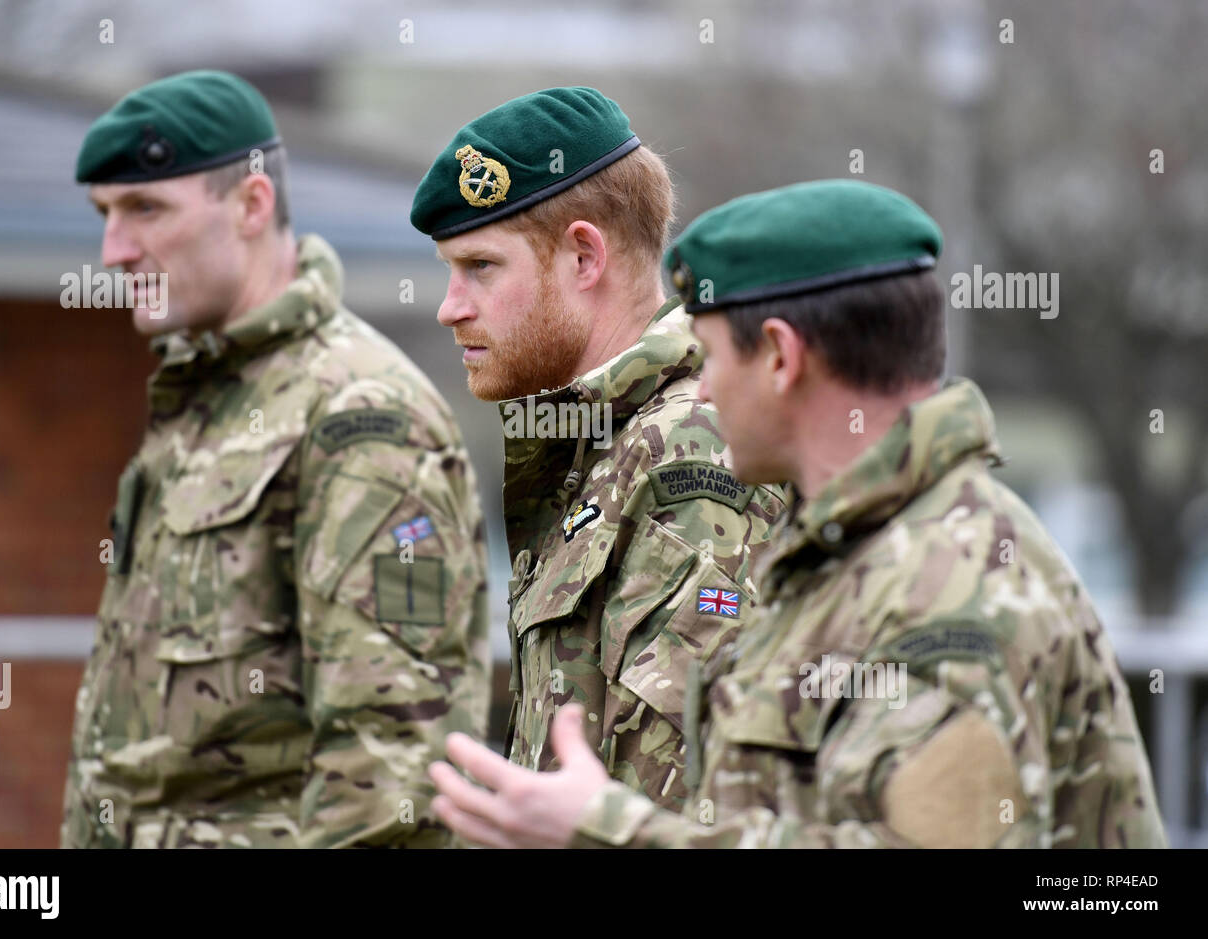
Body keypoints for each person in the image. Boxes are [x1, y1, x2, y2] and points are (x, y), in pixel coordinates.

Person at [427, 179, 1167, 849]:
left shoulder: (953, 580)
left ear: (780, 357)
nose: (704, 395)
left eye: (711, 359)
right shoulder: (844, 560)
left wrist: (607, 828)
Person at [60, 70, 491, 848]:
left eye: (146, 209)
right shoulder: (204, 401)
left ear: (252, 205)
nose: (114, 251)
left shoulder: (359, 414)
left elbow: (390, 761)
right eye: (105, 215)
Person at [409, 87, 785, 810]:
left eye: (480, 267)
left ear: (584, 256)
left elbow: (672, 808)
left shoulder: (689, 458)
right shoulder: (598, 447)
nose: (449, 306)